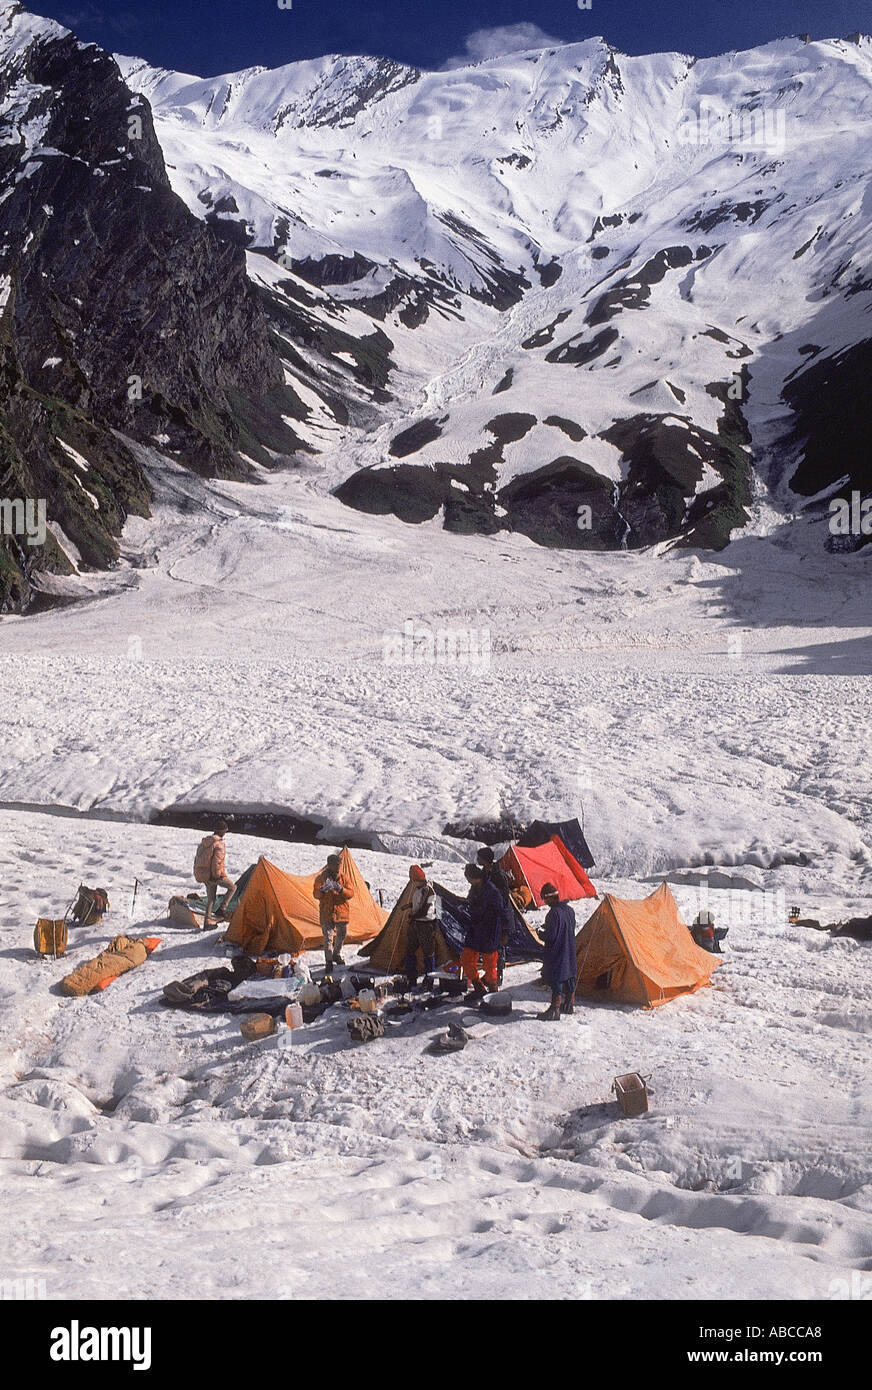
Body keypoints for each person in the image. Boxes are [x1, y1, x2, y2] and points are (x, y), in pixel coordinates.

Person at [461, 864, 504, 999]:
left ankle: (493, 992)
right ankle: (478, 987)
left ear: (473, 877)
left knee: (490, 964)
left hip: (490, 930)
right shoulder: (474, 889)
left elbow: (501, 911)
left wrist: (504, 931)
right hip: (475, 929)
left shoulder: (491, 891)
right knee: (466, 959)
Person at [539, 882, 577, 1020]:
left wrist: (541, 933)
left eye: (545, 899)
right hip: (569, 949)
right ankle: (569, 1005)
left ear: (549, 897)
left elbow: (551, 936)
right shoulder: (569, 910)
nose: (545, 902)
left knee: (557, 979)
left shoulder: (553, 913)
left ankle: (555, 1010)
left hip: (557, 951)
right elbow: (569, 927)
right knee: (569, 976)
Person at [313, 852, 355, 971]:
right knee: (328, 937)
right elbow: (316, 894)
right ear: (329, 865)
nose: (338, 866)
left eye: (339, 864)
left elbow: (351, 893)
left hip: (341, 912)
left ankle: (336, 954)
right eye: (336, 864)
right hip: (327, 911)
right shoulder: (321, 878)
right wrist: (322, 890)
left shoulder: (344, 877)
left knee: (342, 935)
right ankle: (329, 961)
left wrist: (341, 889)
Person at [477, 846, 511, 985]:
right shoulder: (484, 873)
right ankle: (490, 974)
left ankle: (498, 974)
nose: (477, 860)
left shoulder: (499, 875)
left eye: (479, 857)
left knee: (499, 946)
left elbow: (504, 897)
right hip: (488, 915)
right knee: (490, 946)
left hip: (498, 915)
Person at [195, 820, 235, 931]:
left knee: (211, 899)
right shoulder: (219, 844)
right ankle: (222, 909)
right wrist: (217, 876)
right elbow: (217, 862)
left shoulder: (205, 842)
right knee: (232, 887)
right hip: (214, 875)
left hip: (205, 875)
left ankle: (207, 922)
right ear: (222, 831)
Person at [404, 864, 438, 987]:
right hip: (416, 924)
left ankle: (429, 979)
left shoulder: (428, 891)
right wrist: (409, 906)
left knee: (428, 953)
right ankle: (411, 977)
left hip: (426, 925)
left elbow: (425, 909)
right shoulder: (418, 889)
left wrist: (412, 916)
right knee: (410, 950)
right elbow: (418, 904)